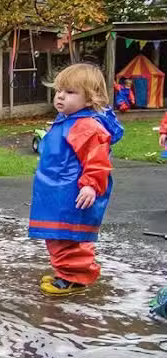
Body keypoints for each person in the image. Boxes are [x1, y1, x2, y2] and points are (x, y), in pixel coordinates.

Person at [30, 63, 124, 296]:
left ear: (91, 99)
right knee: (56, 235)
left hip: (72, 192)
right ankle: (65, 272)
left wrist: (91, 186)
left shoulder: (86, 127)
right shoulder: (67, 120)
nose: (61, 96)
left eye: (70, 92)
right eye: (59, 90)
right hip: (56, 190)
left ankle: (74, 279)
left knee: (68, 236)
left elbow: (98, 160)